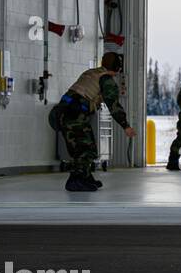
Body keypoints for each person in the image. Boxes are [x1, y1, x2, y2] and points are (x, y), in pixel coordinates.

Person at [57, 51, 136, 192]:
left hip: (63, 112)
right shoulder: (106, 80)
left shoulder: (92, 72)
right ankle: (75, 180)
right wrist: (126, 126)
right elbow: (114, 105)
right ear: (118, 68)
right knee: (85, 149)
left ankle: (85, 177)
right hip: (74, 115)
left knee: (86, 147)